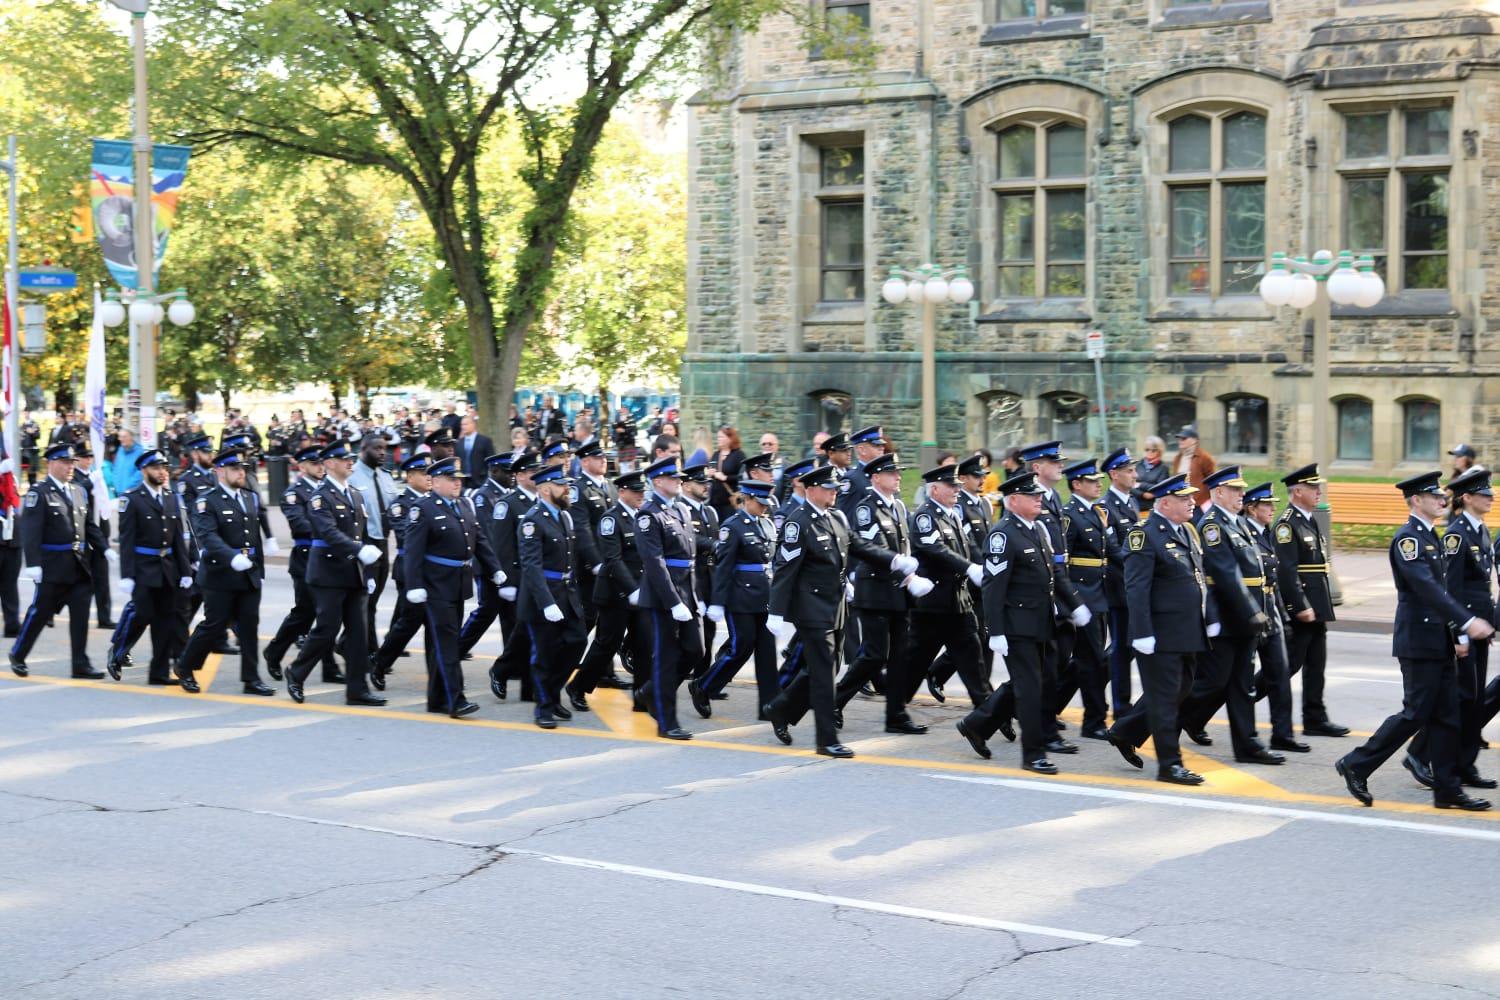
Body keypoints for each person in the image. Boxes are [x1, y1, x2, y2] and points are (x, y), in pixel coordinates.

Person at [1335, 471, 1494, 812]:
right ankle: (1356, 763)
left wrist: (1456, 634)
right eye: (1434, 495)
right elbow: (1428, 589)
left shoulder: (1432, 538)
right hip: (1418, 642)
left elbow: (1446, 591)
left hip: (1438, 640)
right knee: (1415, 713)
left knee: (1447, 716)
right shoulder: (1407, 540)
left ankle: (1448, 790)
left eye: (1440, 495)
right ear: (1415, 500)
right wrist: (1466, 621)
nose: (1441, 500)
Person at [1104, 473, 1220, 786]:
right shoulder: (1144, 535)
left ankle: (1124, 732)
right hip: (1160, 634)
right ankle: (1170, 764)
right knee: (1166, 699)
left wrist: (1208, 618)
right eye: (1186, 499)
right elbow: (1136, 588)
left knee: (1180, 691)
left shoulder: (1187, 532)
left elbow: (1197, 580)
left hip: (1186, 630)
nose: (1193, 503)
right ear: (1165, 503)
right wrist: (1141, 633)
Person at [958, 471, 1071, 772]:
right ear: (1013, 501)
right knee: (1029, 690)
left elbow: (1051, 576)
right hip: (1017, 628)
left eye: (1039, 494)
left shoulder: (1036, 529)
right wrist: (995, 631)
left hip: (1042, 623)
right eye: (1031, 495)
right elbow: (993, 585)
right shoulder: (1003, 535)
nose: (1039, 499)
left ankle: (977, 726)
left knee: (1041, 683)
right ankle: (1033, 755)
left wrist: (1072, 606)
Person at [1177, 466, 1283, 764]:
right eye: (1235, 490)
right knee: (1213, 683)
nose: (1241, 495)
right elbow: (1225, 573)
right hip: (1226, 616)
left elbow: (1256, 571)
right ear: (1219, 492)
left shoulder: (1237, 523)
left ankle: (1248, 745)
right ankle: (1143, 727)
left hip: (1244, 616)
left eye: (1241, 490)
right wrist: (1253, 611)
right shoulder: (1213, 525)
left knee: (1242, 684)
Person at [1404, 466, 1497, 791]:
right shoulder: (1457, 534)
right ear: (1467, 497)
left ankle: (1464, 764)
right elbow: (1450, 590)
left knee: (1471, 700)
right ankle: (1419, 754)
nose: (1491, 498)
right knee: (1459, 700)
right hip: (1465, 631)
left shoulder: (1481, 530)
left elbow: (1481, 588)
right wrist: (1460, 632)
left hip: (1479, 629)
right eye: (1484, 494)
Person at [283, 441, 385, 707]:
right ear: (329, 463)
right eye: (343, 459)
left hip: (353, 572)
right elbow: (327, 531)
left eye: (351, 458)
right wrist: (359, 550)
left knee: (358, 632)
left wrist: (369, 572)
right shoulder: (320, 496)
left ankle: (357, 689)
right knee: (327, 629)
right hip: (328, 572)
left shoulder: (355, 493)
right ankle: (296, 672)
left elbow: (360, 533)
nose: (350, 462)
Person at [833, 453, 930, 733]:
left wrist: (913, 575)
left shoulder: (899, 506)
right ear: (876, 478)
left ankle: (896, 716)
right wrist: (907, 573)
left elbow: (906, 547)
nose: (898, 476)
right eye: (892, 473)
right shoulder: (867, 508)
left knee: (900, 656)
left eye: (898, 472)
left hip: (899, 592)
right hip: (874, 590)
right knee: (875, 655)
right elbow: (874, 550)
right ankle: (835, 701)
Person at [402, 457, 502, 718]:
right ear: (434, 482)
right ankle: (455, 699)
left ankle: (436, 699)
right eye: (451, 478)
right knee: (447, 644)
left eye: (459, 479)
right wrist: (413, 586)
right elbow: (412, 552)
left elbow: (479, 540)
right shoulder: (422, 509)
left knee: (443, 643)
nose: (458, 483)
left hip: (458, 584)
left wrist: (496, 569)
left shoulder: (463, 505)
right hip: (435, 585)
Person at [173, 449, 273, 695]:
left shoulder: (249, 497)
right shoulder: (206, 501)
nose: (241, 473)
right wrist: (232, 557)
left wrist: (259, 567)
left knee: (249, 626)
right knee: (215, 625)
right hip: (220, 574)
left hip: (248, 571)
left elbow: (254, 537)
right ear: (219, 471)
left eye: (243, 469)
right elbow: (208, 537)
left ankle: (251, 679)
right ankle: (185, 666)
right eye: (235, 469)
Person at [10, 444, 106, 679]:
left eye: (72, 462)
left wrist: (104, 548)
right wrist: (33, 564)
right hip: (53, 566)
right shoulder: (39, 492)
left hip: (78, 565)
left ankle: (80, 663)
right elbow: (31, 531)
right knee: (40, 613)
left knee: (81, 615)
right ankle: (18, 653)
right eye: (65, 462)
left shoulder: (78, 491)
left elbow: (88, 526)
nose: (70, 467)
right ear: (51, 464)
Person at [691, 479, 785, 719]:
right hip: (740, 597)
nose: (765, 508)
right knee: (740, 647)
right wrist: (718, 602)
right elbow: (724, 566)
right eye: (760, 503)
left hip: (764, 595)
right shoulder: (733, 527)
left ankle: (770, 707)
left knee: (766, 652)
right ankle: (703, 686)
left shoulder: (766, 524)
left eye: (766, 503)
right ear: (748, 499)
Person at [1274, 463, 1348, 737]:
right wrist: (1300, 605)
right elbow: (1286, 570)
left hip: (1317, 605)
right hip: (1303, 606)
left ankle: (1315, 718)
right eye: (1312, 487)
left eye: (1318, 487)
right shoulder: (1287, 524)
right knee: (1289, 665)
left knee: (1316, 665)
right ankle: (1246, 697)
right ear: (1296, 491)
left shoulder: (1309, 518)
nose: (1319, 491)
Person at [107, 449, 193, 685]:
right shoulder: (132, 498)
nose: (162, 472)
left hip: (167, 568)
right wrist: (127, 575)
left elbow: (177, 539)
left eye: (164, 468)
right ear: (144, 471)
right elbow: (126, 540)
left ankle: (158, 673)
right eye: (156, 468)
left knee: (164, 621)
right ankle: (117, 652)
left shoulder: (171, 497)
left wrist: (185, 571)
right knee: (143, 614)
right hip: (143, 567)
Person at [633, 456, 701, 740]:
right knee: (665, 658)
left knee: (696, 651)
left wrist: (694, 596)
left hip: (688, 591)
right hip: (664, 597)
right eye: (674, 478)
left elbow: (689, 557)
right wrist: (674, 602)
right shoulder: (649, 515)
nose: (680, 481)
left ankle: (650, 692)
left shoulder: (682, 510)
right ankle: (666, 721)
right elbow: (654, 562)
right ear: (658, 481)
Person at [515, 464, 586, 728]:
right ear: (545, 489)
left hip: (566, 594)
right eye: (561, 485)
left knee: (577, 642)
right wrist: (546, 603)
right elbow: (531, 566)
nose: (567, 489)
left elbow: (570, 561)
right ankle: (543, 707)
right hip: (542, 597)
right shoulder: (532, 521)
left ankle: (553, 692)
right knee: (544, 653)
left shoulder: (564, 516)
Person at [569, 470, 648, 706]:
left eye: (642, 491)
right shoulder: (611, 520)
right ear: (622, 492)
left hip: (640, 591)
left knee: (644, 644)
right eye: (635, 492)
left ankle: (642, 698)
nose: (640, 496)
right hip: (615, 593)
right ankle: (578, 686)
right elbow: (614, 560)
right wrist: (632, 590)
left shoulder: (644, 517)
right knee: (607, 644)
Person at [264, 446, 341, 684]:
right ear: (302, 466)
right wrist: (331, 530)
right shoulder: (293, 494)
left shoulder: (329, 489)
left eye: (322, 463)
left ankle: (328, 666)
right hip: (306, 558)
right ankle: (275, 651)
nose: (320, 467)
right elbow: (300, 524)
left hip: (329, 558)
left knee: (324, 615)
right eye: (315, 463)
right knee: (305, 614)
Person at [1242, 482, 1309, 755]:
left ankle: (1282, 735)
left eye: (1273, 503)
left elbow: (1274, 580)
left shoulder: (1267, 533)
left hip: (1271, 612)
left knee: (1280, 674)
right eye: (1266, 504)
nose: (1273, 508)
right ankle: (1192, 717)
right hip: (1248, 613)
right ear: (1251, 508)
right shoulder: (1242, 532)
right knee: (1232, 681)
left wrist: (1282, 613)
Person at [1058, 458, 1117, 740]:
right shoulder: (1070, 515)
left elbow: (1109, 552)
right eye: (1092, 481)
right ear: (1077, 484)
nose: (1099, 484)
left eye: (1098, 480)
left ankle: (1050, 707)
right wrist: (1072, 601)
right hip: (1083, 596)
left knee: (1090, 661)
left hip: (1099, 594)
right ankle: (1093, 720)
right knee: (1091, 661)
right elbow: (1063, 564)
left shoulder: (1095, 512)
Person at [368, 454, 437, 688]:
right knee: (411, 621)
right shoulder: (400, 504)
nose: (429, 478)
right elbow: (406, 536)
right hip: (410, 569)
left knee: (434, 623)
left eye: (430, 473)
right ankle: (379, 662)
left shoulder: (434, 500)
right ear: (409, 477)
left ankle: (441, 677)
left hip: (434, 571)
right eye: (423, 473)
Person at [487, 451, 540, 701]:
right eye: (531, 472)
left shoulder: (543, 499)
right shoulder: (507, 504)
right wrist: (506, 581)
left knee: (533, 632)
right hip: (519, 577)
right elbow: (502, 547)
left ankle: (528, 687)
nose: (536, 476)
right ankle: (503, 669)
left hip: (539, 577)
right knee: (524, 631)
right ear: (519, 476)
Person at [458, 453, 515, 659]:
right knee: (487, 611)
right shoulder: (484, 496)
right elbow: (489, 537)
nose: (512, 476)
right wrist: (496, 569)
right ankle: (457, 648)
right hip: (489, 566)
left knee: (511, 614)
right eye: (507, 472)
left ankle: (511, 660)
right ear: (494, 471)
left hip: (506, 566)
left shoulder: (508, 494)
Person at [1100, 447, 1139, 717]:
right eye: (1129, 471)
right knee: (1121, 650)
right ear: (1114, 474)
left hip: (1133, 586)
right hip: (1119, 586)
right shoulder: (1106, 506)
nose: (1135, 475)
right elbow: (1114, 550)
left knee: (1126, 648)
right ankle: (1121, 707)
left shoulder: (1130, 502)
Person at [350, 433, 397, 647]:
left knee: (374, 598)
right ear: (363, 449)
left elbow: (396, 508)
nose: (382, 452)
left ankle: (346, 643)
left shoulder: (386, 476)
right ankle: (370, 650)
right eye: (377, 448)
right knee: (366, 600)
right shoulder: (352, 476)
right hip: (364, 543)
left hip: (383, 541)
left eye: (384, 448)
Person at [678, 463, 720, 683]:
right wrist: (715, 544)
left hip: (709, 578)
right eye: (700, 483)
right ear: (685, 486)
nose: (706, 487)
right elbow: (691, 540)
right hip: (689, 580)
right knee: (688, 636)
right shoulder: (680, 509)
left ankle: (703, 680)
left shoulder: (709, 511)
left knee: (710, 632)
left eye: (707, 483)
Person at [72, 443, 116, 630]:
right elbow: (76, 491)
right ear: (77, 459)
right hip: (83, 535)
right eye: (85, 456)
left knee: (102, 580)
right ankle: (51, 612)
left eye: (90, 456)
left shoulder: (97, 476)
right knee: (79, 581)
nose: (88, 460)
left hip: (99, 532)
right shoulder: (74, 477)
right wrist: (91, 481)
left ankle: (104, 617)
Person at [706, 426, 746, 522]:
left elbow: (743, 476)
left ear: (730, 438)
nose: (718, 439)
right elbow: (710, 468)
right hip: (715, 500)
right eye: (718, 437)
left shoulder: (738, 455)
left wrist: (726, 477)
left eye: (721, 437)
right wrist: (708, 473)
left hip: (730, 501)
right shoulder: (716, 454)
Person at [1170, 425, 1215, 508]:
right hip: (1180, 501)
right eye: (1179, 439)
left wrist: (1209, 502)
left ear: (1194, 440)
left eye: (1184, 438)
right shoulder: (1177, 458)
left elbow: (1213, 481)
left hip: (1199, 503)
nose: (1180, 441)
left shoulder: (1204, 458)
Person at [458, 414, 495, 492]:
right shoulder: (459, 443)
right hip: (464, 482)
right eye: (462, 424)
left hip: (481, 480)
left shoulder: (485, 441)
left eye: (466, 424)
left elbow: (491, 461)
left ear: (473, 424)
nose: (463, 427)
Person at [106, 428, 144, 497]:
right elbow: (116, 469)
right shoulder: (120, 450)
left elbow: (140, 473)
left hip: (132, 493)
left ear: (131, 437)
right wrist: (114, 485)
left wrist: (128, 488)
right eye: (120, 437)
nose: (121, 439)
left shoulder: (140, 452)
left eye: (124, 437)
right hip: (117, 493)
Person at [1133, 436, 1169, 504]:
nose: (1149, 452)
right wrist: (1142, 494)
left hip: (1153, 505)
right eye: (1147, 449)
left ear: (1159, 451)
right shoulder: (1138, 465)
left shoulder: (1163, 468)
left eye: (1153, 450)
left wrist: (1140, 484)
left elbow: (1160, 487)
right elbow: (1130, 485)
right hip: (1135, 503)